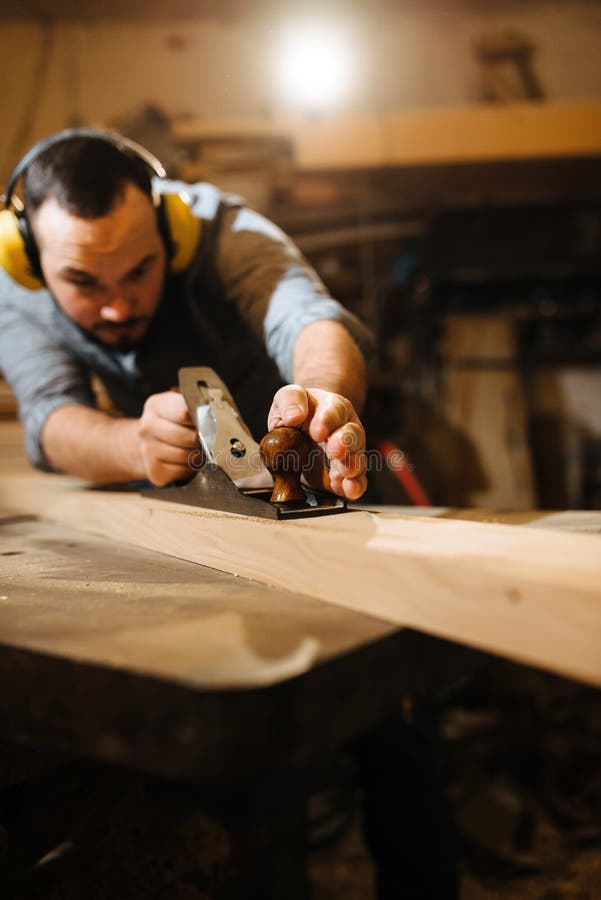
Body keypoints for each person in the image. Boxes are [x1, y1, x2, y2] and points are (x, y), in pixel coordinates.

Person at [0, 128, 371, 498]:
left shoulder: (228, 235)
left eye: (139, 271)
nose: (118, 309)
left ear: (170, 233)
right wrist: (136, 447)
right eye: (83, 282)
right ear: (29, 261)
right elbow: (49, 413)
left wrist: (321, 406)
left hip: (310, 476)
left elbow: (306, 318)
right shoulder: (16, 282)